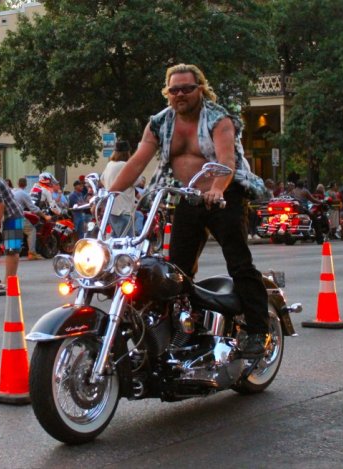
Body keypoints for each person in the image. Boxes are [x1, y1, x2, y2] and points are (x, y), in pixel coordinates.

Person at [108, 63, 269, 358]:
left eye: (187, 88)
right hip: (189, 196)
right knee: (176, 271)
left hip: (225, 195)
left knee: (239, 263)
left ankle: (259, 331)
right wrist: (110, 194)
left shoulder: (219, 118)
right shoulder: (159, 123)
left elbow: (226, 161)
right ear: (167, 92)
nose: (180, 94)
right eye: (174, 89)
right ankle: (186, 327)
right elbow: (137, 162)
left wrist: (218, 188)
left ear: (200, 89)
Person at [101, 140, 138, 237]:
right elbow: (138, 182)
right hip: (124, 210)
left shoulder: (109, 164)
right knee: (127, 244)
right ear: (127, 153)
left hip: (111, 210)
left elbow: (102, 179)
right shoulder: (125, 166)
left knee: (115, 242)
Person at [12, 177, 45, 260]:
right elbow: (33, 208)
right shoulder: (24, 193)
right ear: (26, 184)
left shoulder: (13, 191)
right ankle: (32, 253)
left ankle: (12, 253)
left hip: (8, 216)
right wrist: (44, 216)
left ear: (17, 183)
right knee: (31, 231)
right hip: (17, 216)